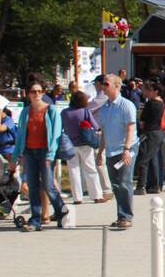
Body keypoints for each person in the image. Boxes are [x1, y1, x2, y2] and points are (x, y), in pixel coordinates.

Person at [11, 78, 67, 231]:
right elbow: (20, 134)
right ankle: (35, 219)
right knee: (33, 186)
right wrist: (15, 156)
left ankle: (61, 209)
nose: (36, 94)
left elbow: (56, 134)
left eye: (39, 91)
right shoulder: (25, 111)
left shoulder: (51, 110)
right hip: (29, 151)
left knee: (48, 185)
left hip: (46, 152)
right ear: (28, 94)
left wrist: (51, 154)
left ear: (43, 93)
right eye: (33, 91)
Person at [98, 75, 138, 229]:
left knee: (124, 181)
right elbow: (104, 131)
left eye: (106, 84)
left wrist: (127, 149)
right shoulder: (105, 107)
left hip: (126, 148)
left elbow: (130, 128)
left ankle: (126, 216)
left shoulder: (126, 105)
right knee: (115, 184)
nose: (103, 86)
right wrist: (100, 151)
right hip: (111, 150)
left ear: (116, 86)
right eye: (102, 83)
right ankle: (121, 215)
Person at [62, 90, 106, 204]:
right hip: (85, 143)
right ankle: (97, 195)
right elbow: (95, 126)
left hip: (70, 144)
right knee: (90, 169)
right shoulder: (84, 111)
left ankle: (77, 197)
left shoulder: (64, 112)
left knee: (73, 170)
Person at [135, 81, 165, 195]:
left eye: (148, 90)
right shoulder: (161, 103)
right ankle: (154, 185)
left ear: (155, 91)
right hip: (158, 132)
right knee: (153, 159)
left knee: (143, 160)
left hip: (150, 132)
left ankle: (141, 186)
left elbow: (143, 118)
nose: (145, 92)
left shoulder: (150, 103)